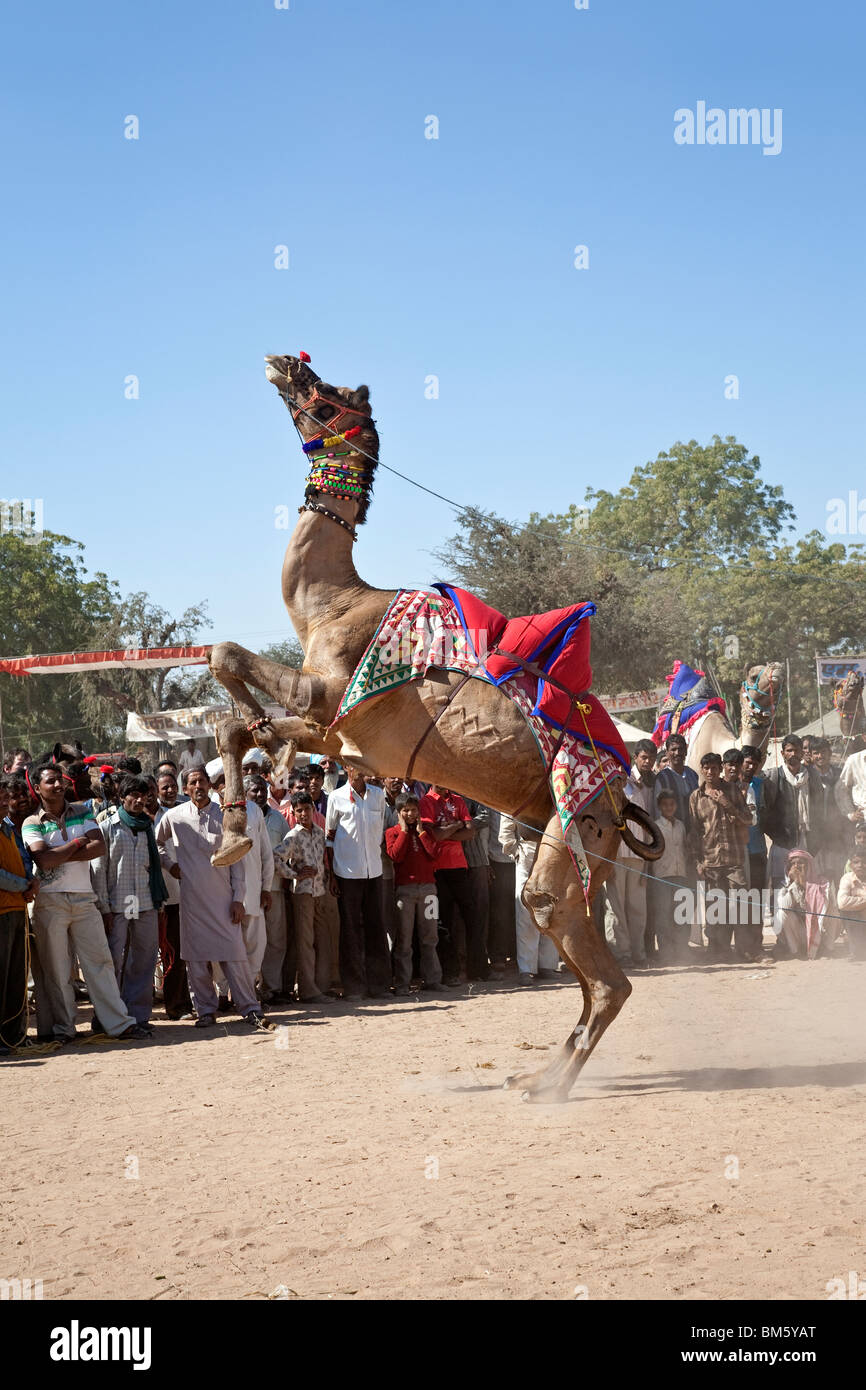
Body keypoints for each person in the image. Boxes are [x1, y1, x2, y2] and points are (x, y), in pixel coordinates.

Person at [22, 763, 148, 1041]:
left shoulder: (82, 811)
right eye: (51, 782)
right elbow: (43, 860)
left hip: (83, 899)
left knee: (100, 962)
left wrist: (61, 851)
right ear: (38, 787)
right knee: (56, 969)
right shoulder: (31, 822)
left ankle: (118, 1024)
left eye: (59, 780)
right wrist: (79, 844)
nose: (58, 785)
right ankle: (64, 1029)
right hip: (49, 902)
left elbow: (99, 847)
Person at [155, 768, 268, 1030]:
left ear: (209, 785)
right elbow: (157, 842)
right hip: (192, 902)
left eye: (202, 781)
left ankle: (249, 1009)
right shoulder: (175, 817)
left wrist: (239, 898)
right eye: (192, 783)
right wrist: (169, 865)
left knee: (235, 956)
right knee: (196, 961)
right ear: (186, 789)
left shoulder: (225, 816)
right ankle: (205, 1011)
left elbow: (237, 861)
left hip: (224, 900)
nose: (198, 786)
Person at [92, 774, 168, 1027]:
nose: (138, 800)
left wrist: (159, 903)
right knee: (112, 960)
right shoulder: (108, 827)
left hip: (145, 902)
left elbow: (152, 866)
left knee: (143, 959)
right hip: (117, 904)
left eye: (142, 795)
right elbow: (99, 870)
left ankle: (137, 1015)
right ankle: (109, 1015)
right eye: (132, 795)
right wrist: (104, 907)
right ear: (122, 797)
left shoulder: (147, 827)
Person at [325, 765, 391, 1000]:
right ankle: (354, 987)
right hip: (346, 873)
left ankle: (380, 985)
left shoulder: (378, 794)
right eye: (354, 766)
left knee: (376, 928)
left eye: (362, 765)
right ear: (346, 768)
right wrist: (332, 875)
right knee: (351, 931)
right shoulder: (336, 797)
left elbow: (380, 831)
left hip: (373, 871)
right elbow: (329, 839)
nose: (360, 771)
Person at [420, 784, 497, 984]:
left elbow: (470, 833)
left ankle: (479, 969)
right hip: (436, 868)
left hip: (459, 866)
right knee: (443, 922)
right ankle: (449, 972)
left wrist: (445, 831)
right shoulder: (426, 802)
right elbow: (433, 835)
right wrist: (456, 825)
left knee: (473, 918)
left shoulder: (458, 800)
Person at [688, 751, 753, 962]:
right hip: (711, 861)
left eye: (714, 768)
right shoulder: (696, 797)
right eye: (706, 768)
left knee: (741, 906)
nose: (710, 772)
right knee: (715, 910)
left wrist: (727, 803)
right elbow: (694, 832)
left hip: (734, 859)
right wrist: (698, 861)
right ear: (702, 770)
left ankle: (744, 949)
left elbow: (748, 819)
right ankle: (718, 951)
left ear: (720, 769)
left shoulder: (732, 790)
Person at [276, 791, 332, 1002]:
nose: (303, 813)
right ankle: (308, 991)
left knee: (322, 940)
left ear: (312, 809)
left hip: (320, 891)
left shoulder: (318, 832)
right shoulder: (293, 835)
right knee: (305, 943)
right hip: (303, 893)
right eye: (298, 810)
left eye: (307, 809)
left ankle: (322, 987)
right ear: (293, 812)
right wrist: (294, 875)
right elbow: (276, 857)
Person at [606, 739, 657, 969]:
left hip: (637, 855)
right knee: (616, 908)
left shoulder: (640, 788)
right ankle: (621, 953)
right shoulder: (609, 788)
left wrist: (647, 858)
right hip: (616, 855)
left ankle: (638, 952)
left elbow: (646, 826)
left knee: (638, 908)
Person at [385, 793, 443, 993]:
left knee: (430, 937)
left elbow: (435, 854)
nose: (410, 814)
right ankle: (402, 984)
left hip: (429, 891)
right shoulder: (392, 832)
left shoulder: (426, 831)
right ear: (399, 813)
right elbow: (395, 856)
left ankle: (433, 980)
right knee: (404, 939)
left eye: (414, 810)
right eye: (406, 811)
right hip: (405, 892)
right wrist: (403, 831)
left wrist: (420, 832)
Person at [0, 775, 38, 1051]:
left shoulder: (8, 829)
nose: (5, 803)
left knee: (16, 978)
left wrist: (31, 881)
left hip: (17, 908)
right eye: (1, 798)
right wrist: (25, 885)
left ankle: (13, 1036)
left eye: (5, 798)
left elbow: (23, 863)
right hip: (3, 910)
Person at [498, 814, 560, 984]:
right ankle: (526, 969)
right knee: (525, 909)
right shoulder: (518, 792)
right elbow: (506, 828)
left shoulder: (551, 792)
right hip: (527, 851)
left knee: (551, 906)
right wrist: (515, 851)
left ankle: (547, 964)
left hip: (552, 850)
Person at [245, 774, 290, 1003]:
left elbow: (289, 850)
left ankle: (271, 989)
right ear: (245, 793)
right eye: (255, 790)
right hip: (246, 890)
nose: (260, 794)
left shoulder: (278, 819)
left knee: (275, 939)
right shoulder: (238, 818)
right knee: (249, 941)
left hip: (274, 888)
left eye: (263, 789)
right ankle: (247, 990)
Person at [763, 735, 826, 891]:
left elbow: (819, 809)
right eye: (789, 750)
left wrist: (817, 839)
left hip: (807, 839)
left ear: (802, 753)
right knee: (781, 886)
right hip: (782, 842)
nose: (793, 754)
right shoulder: (774, 777)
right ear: (783, 753)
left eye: (796, 750)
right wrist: (777, 836)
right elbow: (766, 812)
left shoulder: (812, 776)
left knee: (808, 883)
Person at [153, 770, 192, 1019]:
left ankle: (179, 1005)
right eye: (164, 787)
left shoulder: (179, 814)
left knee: (176, 953)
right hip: (149, 898)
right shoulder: (144, 819)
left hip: (177, 895)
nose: (169, 791)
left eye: (172, 786)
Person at [648, 789, 690, 965]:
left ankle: (681, 951)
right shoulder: (655, 826)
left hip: (680, 874)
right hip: (662, 876)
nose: (668, 807)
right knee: (663, 915)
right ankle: (666, 953)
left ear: (676, 806)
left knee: (680, 914)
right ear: (659, 807)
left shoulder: (680, 825)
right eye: (665, 804)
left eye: (671, 804)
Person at [773, 849, 836, 960]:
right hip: (799, 932)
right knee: (782, 914)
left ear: (809, 865)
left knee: (834, 911)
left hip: (819, 930)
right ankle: (795, 951)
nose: (797, 866)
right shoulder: (785, 886)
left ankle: (827, 949)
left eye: (801, 862)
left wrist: (806, 885)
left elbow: (826, 907)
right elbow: (784, 906)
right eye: (793, 863)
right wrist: (796, 883)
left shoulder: (823, 884)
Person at [486, 807, 516, 968]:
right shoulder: (490, 802)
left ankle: (516, 954)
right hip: (498, 860)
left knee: (518, 909)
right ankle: (498, 956)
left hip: (520, 860)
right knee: (499, 912)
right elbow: (485, 831)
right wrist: (486, 861)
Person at [654, 734, 698, 828]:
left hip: (694, 833)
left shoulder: (693, 775)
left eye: (680, 749)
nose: (677, 753)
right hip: (670, 833)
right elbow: (657, 810)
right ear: (667, 753)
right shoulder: (661, 778)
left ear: (686, 751)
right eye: (673, 749)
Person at [740, 745, 768, 894]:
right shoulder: (730, 785)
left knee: (758, 893)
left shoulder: (761, 785)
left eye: (755, 764)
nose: (751, 767)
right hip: (738, 849)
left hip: (758, 847)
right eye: (748, 763)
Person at [837, 851, 866, 959]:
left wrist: (858, 902)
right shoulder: (847, 878)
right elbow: (842, 903)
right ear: (850, 865)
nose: (860, 865)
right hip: (857, 924)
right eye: (856, 862)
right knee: (848, 913)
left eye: (864, 862)